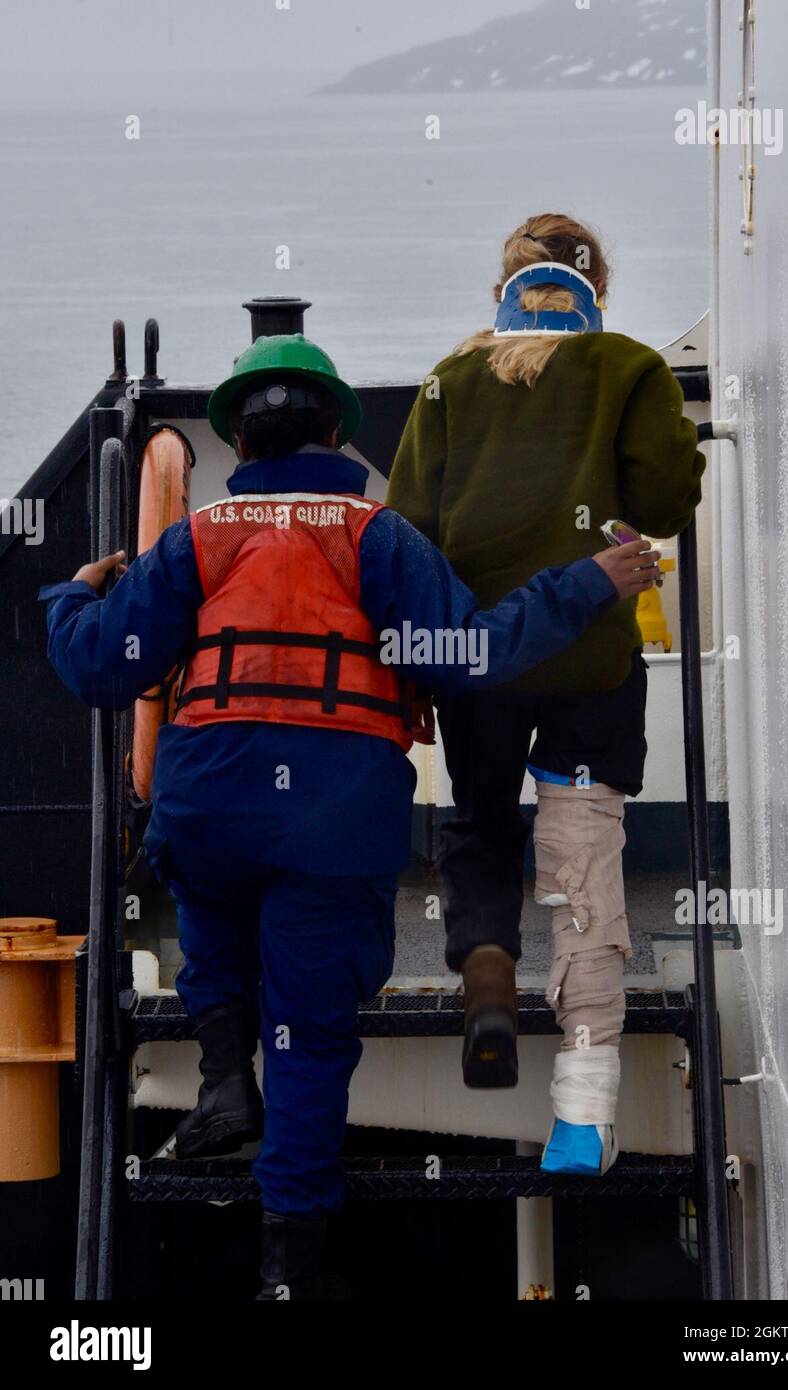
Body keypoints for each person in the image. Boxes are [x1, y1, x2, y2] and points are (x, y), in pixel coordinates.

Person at [38, 332, 660, 1297]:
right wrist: (590, 581)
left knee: (201, 885)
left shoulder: (195, 539)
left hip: (208, 796)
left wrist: (68, 599)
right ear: (336, 432)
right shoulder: (378, 537)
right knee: (309, 1028)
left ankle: (220, 1077)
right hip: (333, 819)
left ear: (238, 443)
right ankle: (286, 1267)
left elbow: (99, 667)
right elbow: (472, 657)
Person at [386, 212, 704, 1177]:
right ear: (595, 284)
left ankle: (485, 969)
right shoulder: (630, 367)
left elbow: (405, 530)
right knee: (583, 861)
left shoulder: (449, 379)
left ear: (504, 289)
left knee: (480, 826)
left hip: (481, 653)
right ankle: (581, 1109)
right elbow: (662, 501)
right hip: (589, 659)